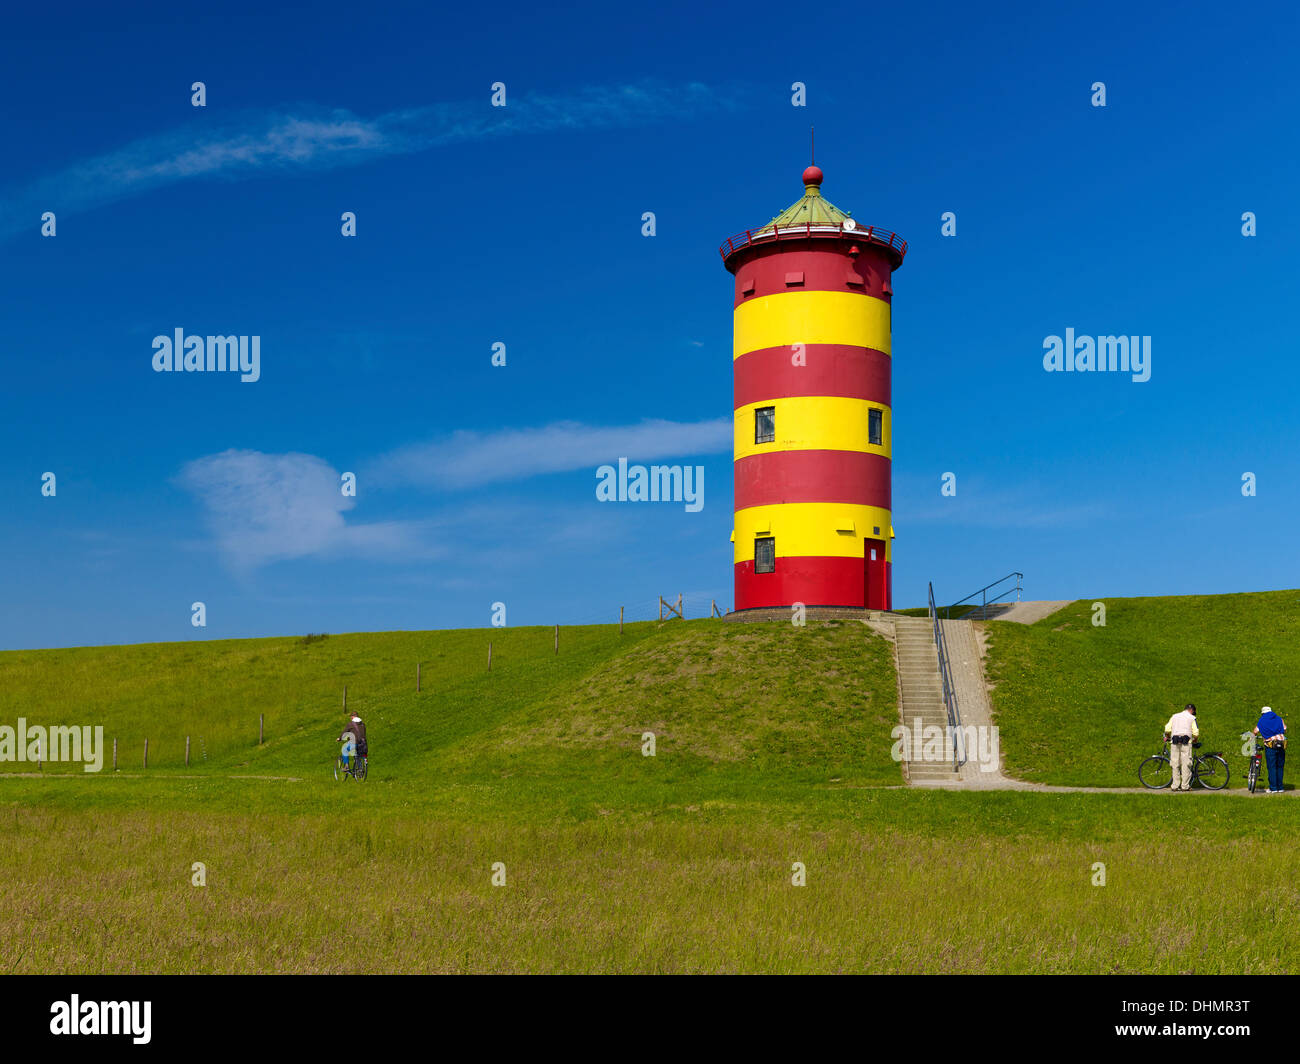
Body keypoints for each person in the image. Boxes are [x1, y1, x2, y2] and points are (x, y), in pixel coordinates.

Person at [1163, 703, 1199, 792]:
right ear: (1192, 710)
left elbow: (1167, 729)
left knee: (1175, 764)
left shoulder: (1174, 716)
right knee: (1186, 764)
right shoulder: (1191, 718)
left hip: (1174, 742)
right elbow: (1196, 733)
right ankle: (1185, 786)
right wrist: (1195, 740)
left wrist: (1167, 736)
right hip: (1186, 743)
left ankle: (1175, 786)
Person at [1252, 706, 1286, 794]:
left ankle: (1273, 788)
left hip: (1271, 745)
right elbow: (1284, 729)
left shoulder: (1262, 720)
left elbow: (1255, 731)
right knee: (1280, 766)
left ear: (1263, 713)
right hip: (1281, 744)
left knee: (1272, 766)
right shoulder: (1279, 718)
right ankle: (1280, 787)